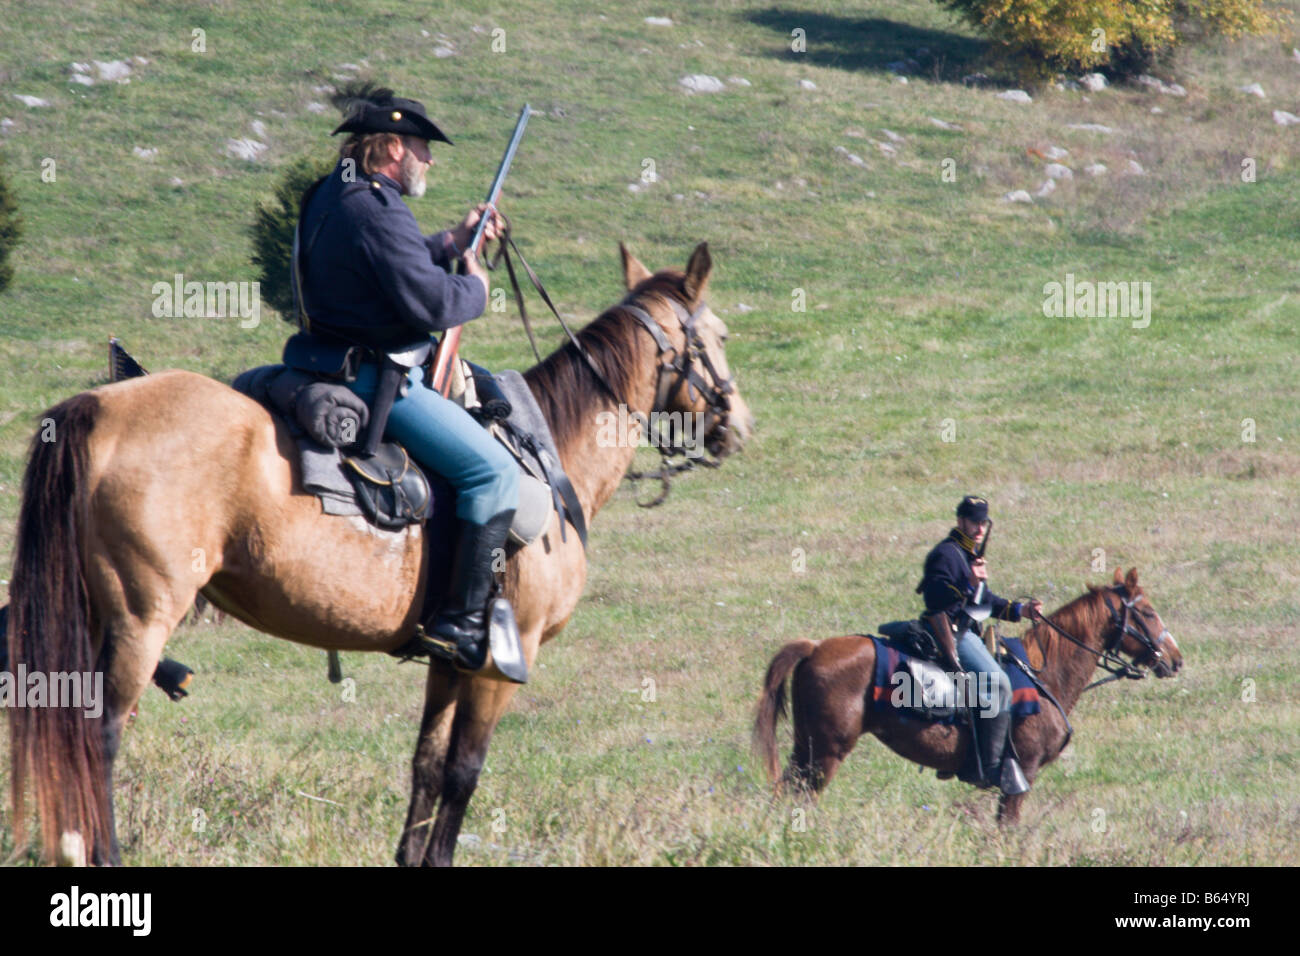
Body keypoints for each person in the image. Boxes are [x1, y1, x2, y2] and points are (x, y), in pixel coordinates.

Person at [291, 84, 519, 678]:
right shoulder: (377, 206)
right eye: (422, 147)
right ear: (392, 146)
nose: (430, 160)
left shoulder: (333, 195)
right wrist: (476, 289)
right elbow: (425, 301)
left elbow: (390, 261)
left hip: (319, 359)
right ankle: (460, 626)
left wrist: (452, 241)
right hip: (375, 379)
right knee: (493, 473)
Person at [916, 495, 1041, 793]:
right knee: (998, 682)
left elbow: (986, 601)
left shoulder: (968, 555)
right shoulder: (945, 554)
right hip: (950, 632)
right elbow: (934, 597)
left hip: (968, 628)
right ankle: (987, 766)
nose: (980, 528)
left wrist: (1020, 610)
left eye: (983, 522)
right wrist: (969, 583)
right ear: (960, 521)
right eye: (974, 521)